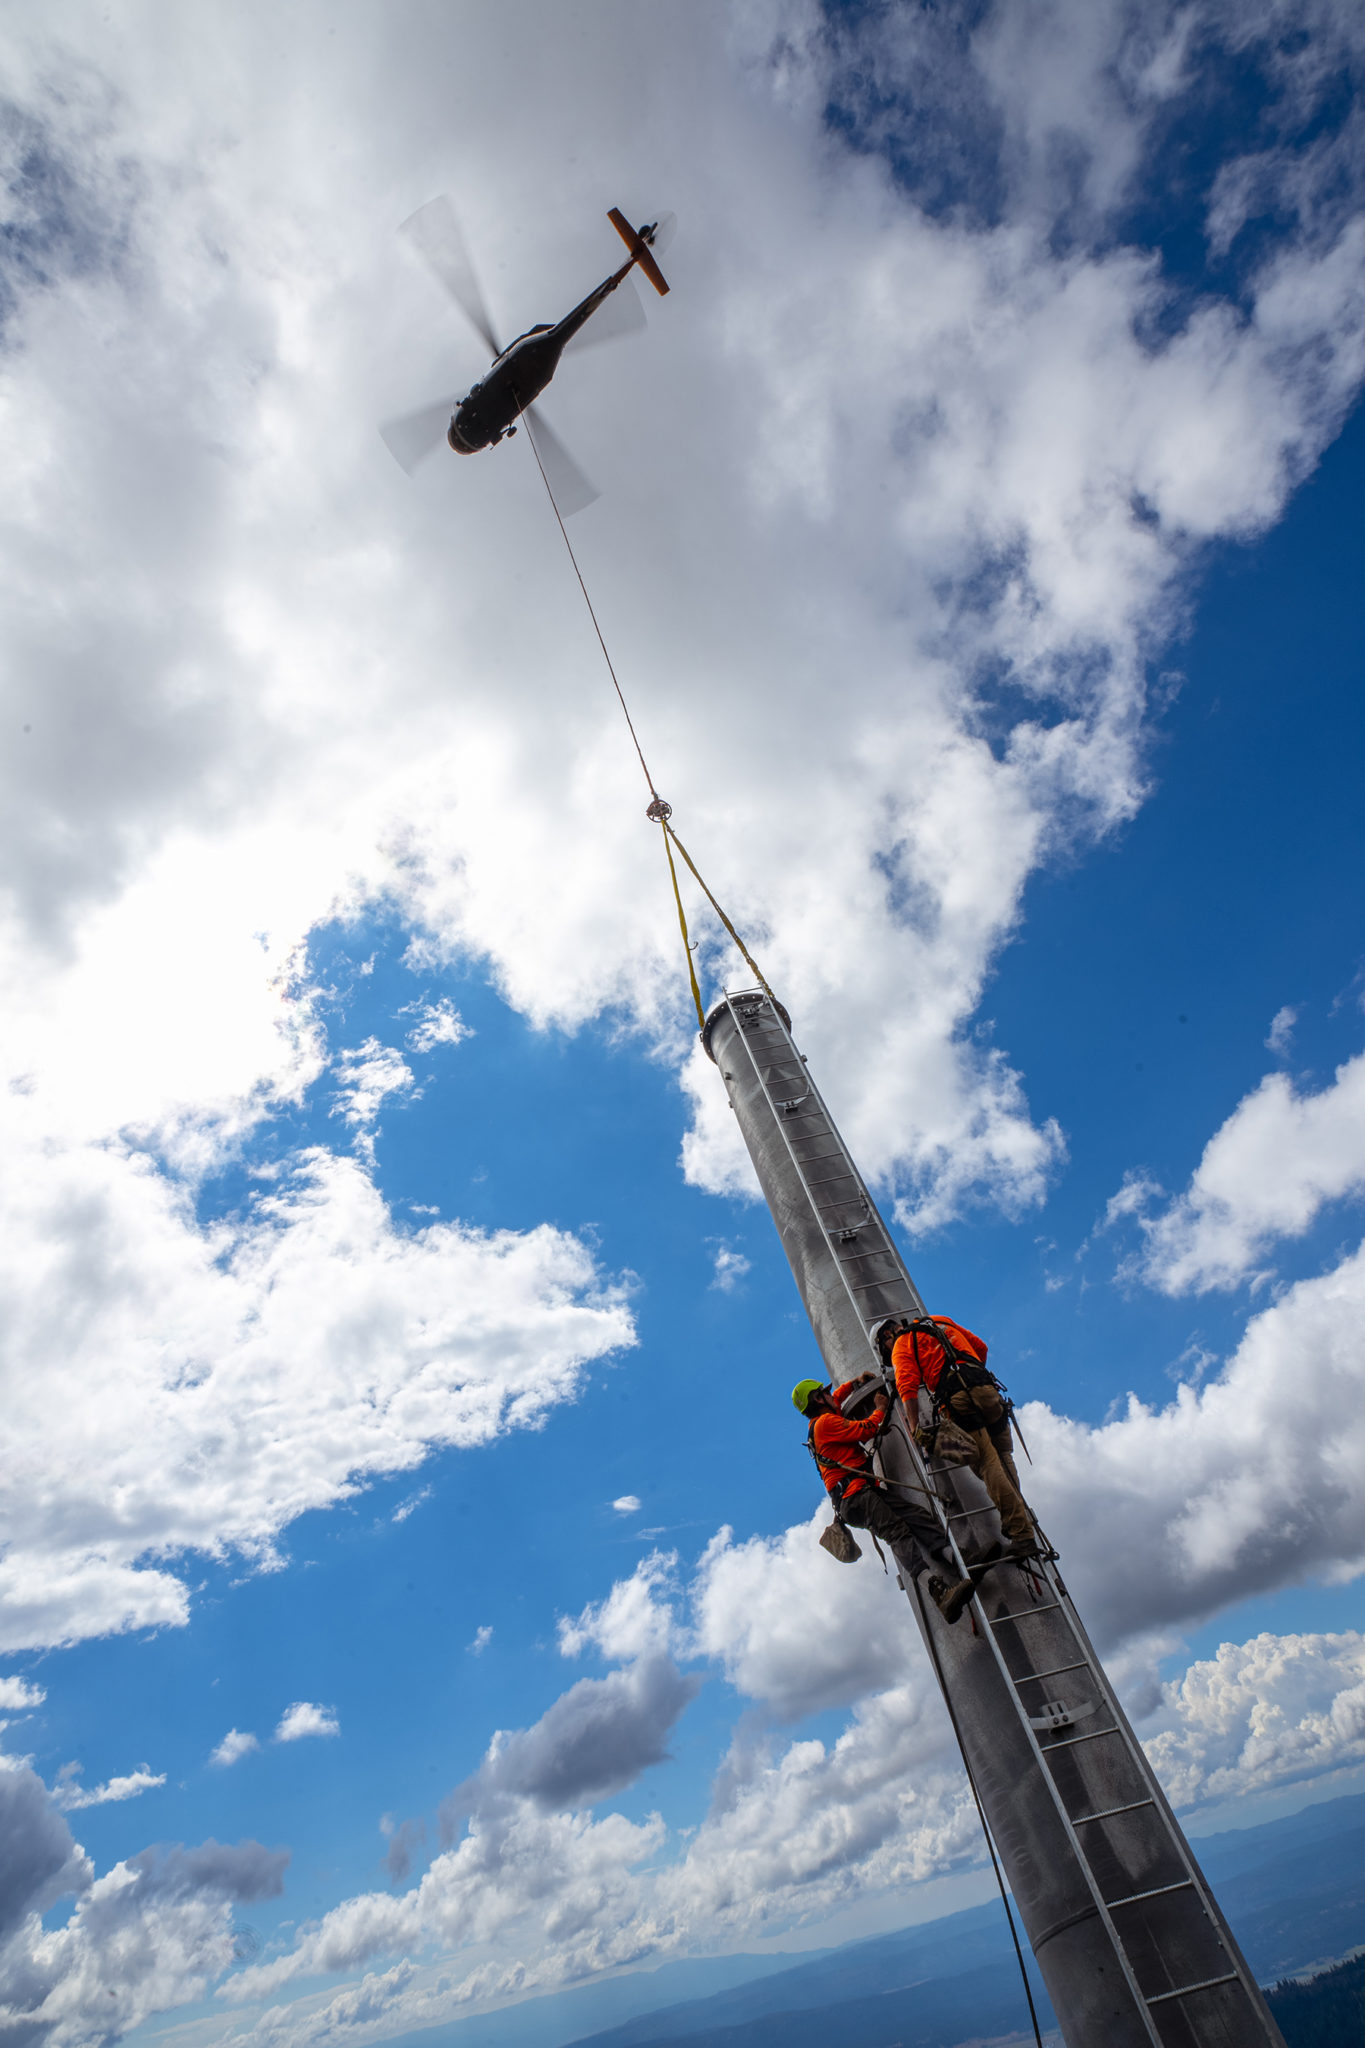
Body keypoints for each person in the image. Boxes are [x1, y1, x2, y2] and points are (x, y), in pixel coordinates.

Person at [792, 1377, 977, 1623]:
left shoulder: (821, 1420)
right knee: (897, 1532)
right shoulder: (825, 1423)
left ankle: (959, 1560)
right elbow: (866, 1429)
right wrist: (879, 1408)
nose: (831, 1394)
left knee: (915, 1515)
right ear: (817, 1399)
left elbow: (836, 1399)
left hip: (861, 1493)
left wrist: (855, 1382)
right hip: (855, 1496)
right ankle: (938, 1592)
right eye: (825, 1392)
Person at [879, 1316, 1037, 1558]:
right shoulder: (938, 1321)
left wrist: (914, 1426)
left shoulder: (902, 1342)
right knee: (1003, 1456)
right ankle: (1019, 1518)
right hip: (988, 1390)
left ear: (887, 1337)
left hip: (961, 1398)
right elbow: (980, 1348)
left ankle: (1021, 1533)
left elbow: (907, 1385)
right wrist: (973, 1376)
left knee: (986, 1463)